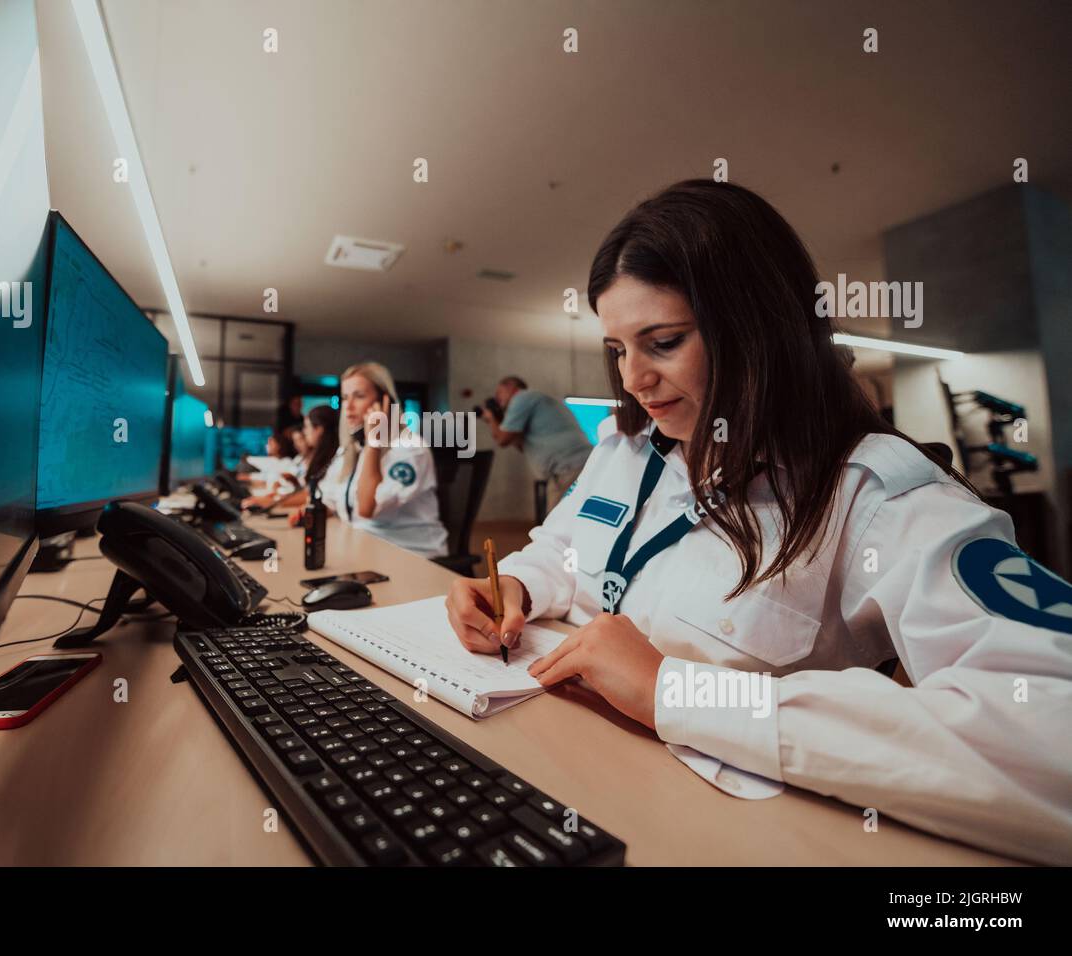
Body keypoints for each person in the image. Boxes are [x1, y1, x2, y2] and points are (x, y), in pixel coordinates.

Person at [444, 179, 1072, 865]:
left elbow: (1052, 731)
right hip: (561, 774)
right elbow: (563, 546)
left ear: (757, 327)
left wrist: (674, 691)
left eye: (662, 342)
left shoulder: (875, 491)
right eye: (619, 349)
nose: (631, 380)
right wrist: (518, 587)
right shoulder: (624, 450)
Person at [313, 362, 448, 558]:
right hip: (364, 548)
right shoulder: (353, 448)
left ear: (385, 403)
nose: (348, 407)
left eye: (359, 396)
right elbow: (329, 497)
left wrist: (374, 442)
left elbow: (368, 508)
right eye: (344, 398)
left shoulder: (410, 449)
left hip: (410, 556)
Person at [483, 376, 593, 513]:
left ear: (511, 386)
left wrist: (491, 418)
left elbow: (503, 440)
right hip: (574, 465)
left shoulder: (521, 398)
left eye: (499, 393)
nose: (497, 399)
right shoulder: (537, 399)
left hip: (569, 467)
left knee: (555, 525)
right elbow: (521, 445)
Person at [247, 404, 338, 512]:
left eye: (307, 426)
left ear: (319, 429)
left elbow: (316, 495)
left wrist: (273, 502)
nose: (305, 432)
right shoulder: (322, 459)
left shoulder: (335, 461)